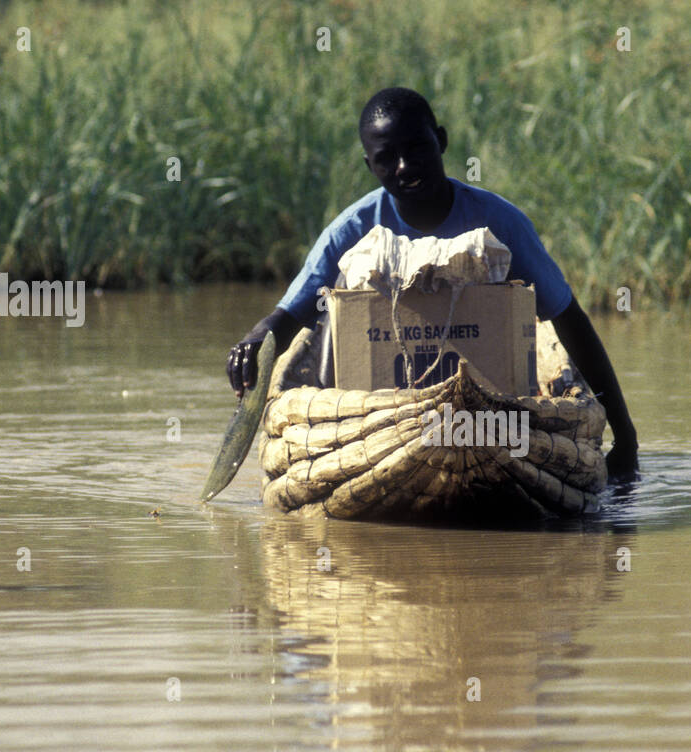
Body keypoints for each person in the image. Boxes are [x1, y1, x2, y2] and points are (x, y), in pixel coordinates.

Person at [227, 87, 639, 481]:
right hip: (376, 425)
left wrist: (625, 436)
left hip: (491, 417)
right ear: (370, 165)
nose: (405, 166)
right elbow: (293, 313)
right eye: (387, 158)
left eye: (417, 149)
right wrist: (256, 340)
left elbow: (567, 318)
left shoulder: (498, 222)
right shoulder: (351, 229)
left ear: (440, 141)